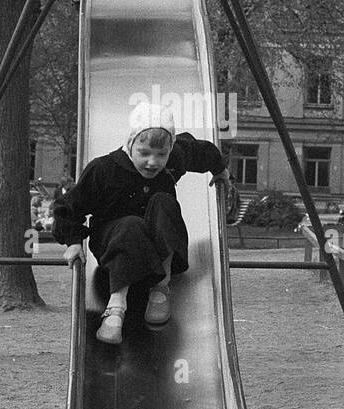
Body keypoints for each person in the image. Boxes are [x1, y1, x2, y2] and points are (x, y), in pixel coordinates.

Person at [53, 102, 230, 346]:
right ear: (130, 144)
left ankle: (161, 287)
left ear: (170, 149)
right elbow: (69, 207)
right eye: (144, 152)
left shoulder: (172, 160)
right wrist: (73, 242)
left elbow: (201, 151)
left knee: (164, 202)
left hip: (156, 251)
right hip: (114, 244)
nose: (153, 162)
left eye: (161, 154)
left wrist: (220, 170)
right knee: (131, 225)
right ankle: (116, 307)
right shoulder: (104, 169)